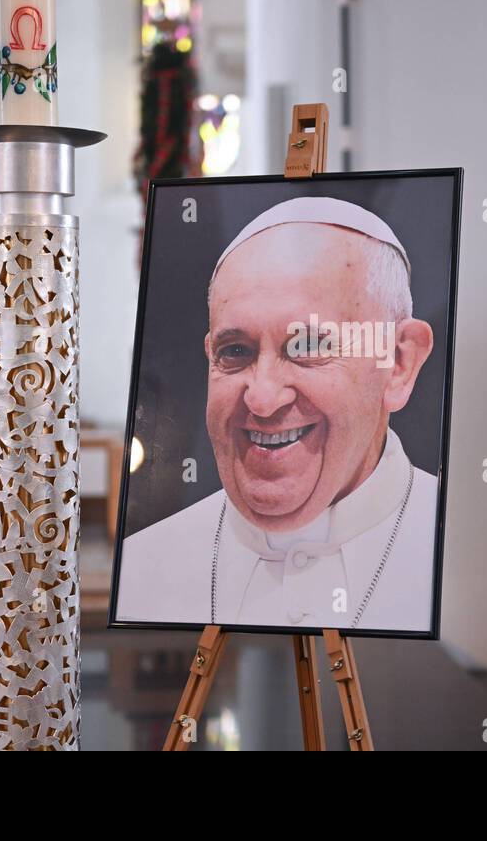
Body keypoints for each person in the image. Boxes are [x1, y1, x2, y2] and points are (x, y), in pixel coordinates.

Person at [116, 197, 439, 632]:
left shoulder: (466, 558)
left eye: (308, 347)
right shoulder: (142, 568)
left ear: (399, 364)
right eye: (236, 352)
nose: (262, 399)